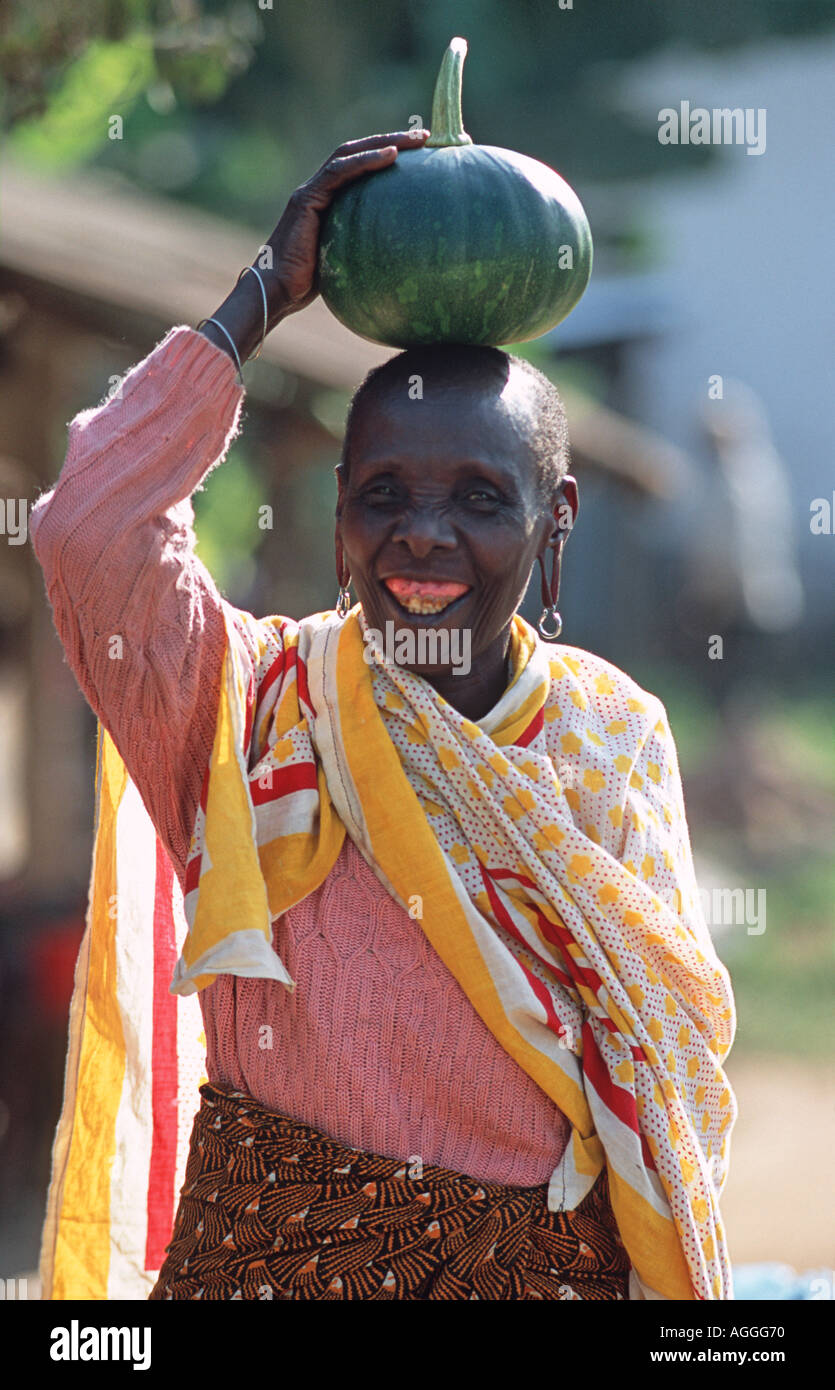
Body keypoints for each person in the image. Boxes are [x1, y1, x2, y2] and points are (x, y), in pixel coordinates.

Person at [29, 132, 736, 1302]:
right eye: (383, 495)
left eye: (478, 497)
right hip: (263, 1273)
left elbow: (664, 1055)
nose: (422, 535)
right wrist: (268, 291)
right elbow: (86, 527)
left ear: (555, 519)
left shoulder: (612, 734)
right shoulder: (245, 706)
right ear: (340, 511)